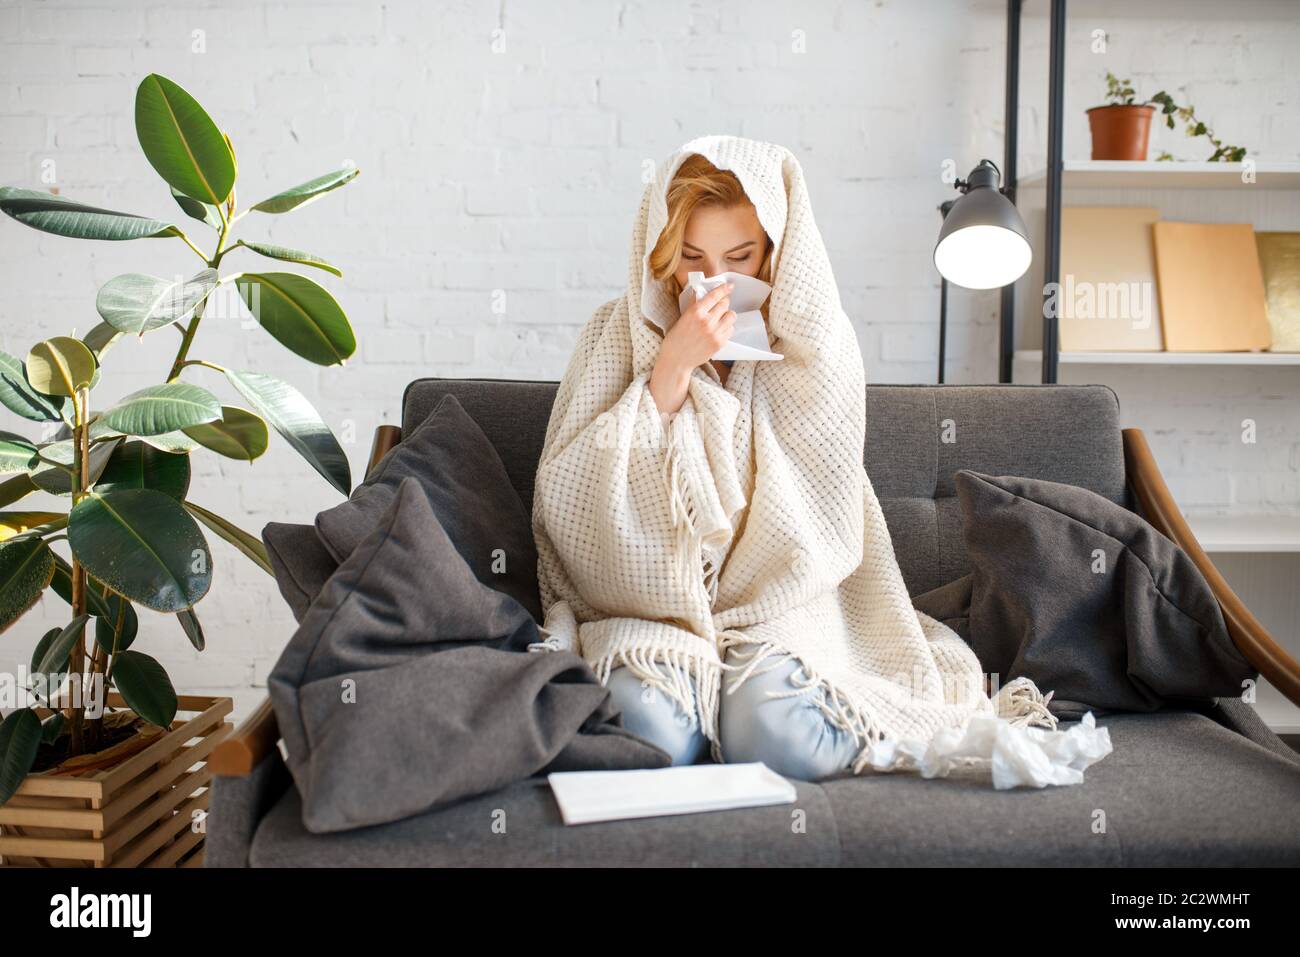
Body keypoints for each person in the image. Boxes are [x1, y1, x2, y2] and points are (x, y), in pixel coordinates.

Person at [529, 135, 1066, 784]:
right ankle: (697, 701)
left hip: (786, 604)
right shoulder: (614, 333)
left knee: (773, 731)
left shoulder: (819, 346)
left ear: (778, 252)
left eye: (740, 256)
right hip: (648, 609)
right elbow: (571, 499)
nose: (712, 281)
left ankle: (747, 706)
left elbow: (816, 505)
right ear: (663, 253)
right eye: (692, 257)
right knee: (652, 735)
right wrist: (671, 370)